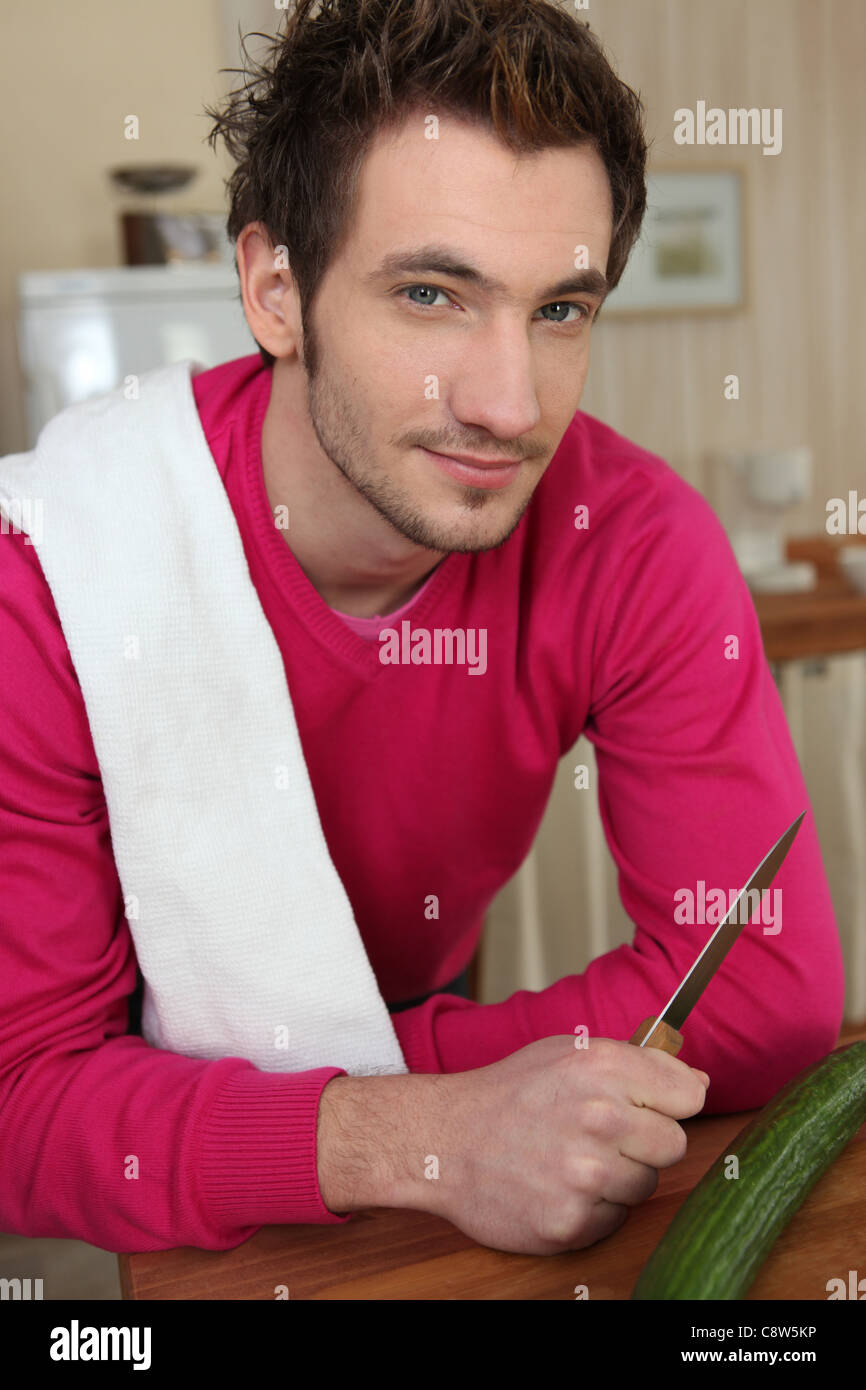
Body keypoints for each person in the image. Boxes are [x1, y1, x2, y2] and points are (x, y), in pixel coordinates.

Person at [0, 0, 842, 1260]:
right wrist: (420, 1122)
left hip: (311, 1124)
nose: (508, 405)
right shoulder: (48, 575)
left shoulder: (635, 541)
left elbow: (765, 994)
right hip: (167, 1212)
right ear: (275, 290)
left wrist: (423, 1095)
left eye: (559, 309)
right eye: (433, 293)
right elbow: (25, 1108)